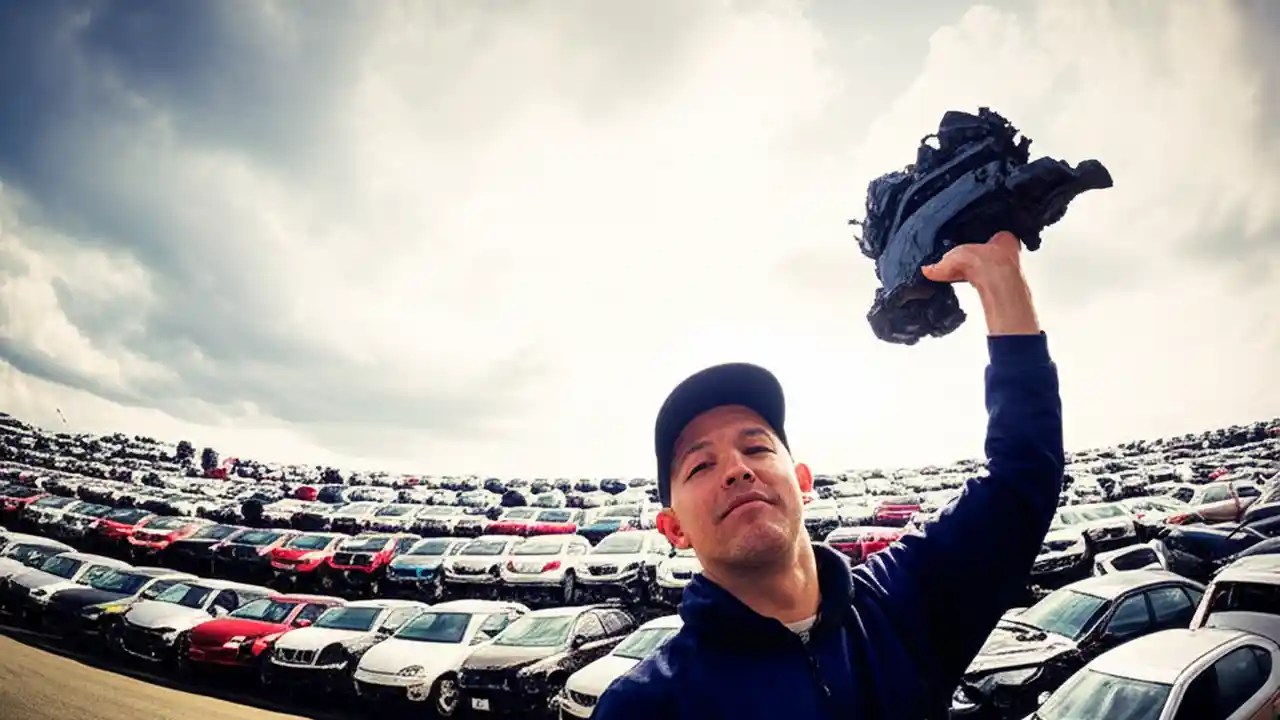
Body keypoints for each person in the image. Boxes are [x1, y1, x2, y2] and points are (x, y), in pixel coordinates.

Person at [592, 231, 1063, 719]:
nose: (736, 469)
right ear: (674, 529)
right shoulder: (648, 706)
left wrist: (1000, 277)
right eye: (701, 465)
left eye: (755, 446)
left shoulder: (903, 602)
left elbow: (1020, 479)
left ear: (802, 481)